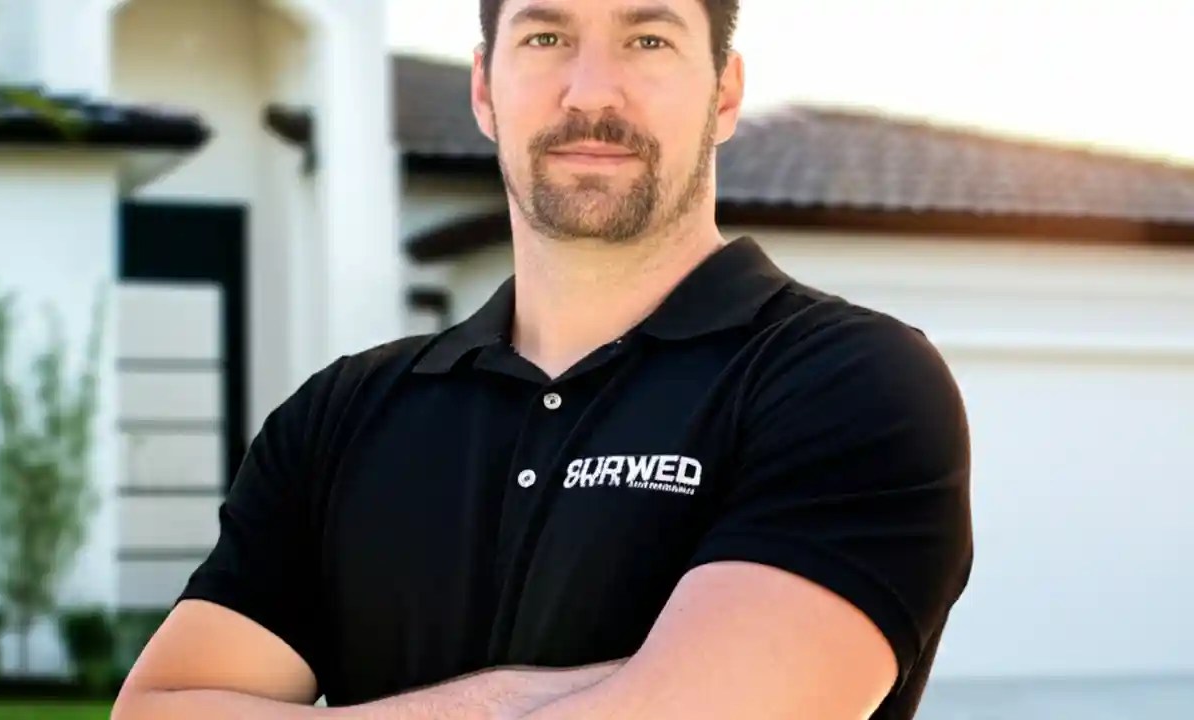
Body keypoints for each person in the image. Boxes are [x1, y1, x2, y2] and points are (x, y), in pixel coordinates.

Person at [111, 0, 973, 718]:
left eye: (648, 39)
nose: (592, 90)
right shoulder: (342, 414)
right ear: (485, 88)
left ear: (723, 92)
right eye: (546, 37)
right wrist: (503, 700)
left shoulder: (848, 382)